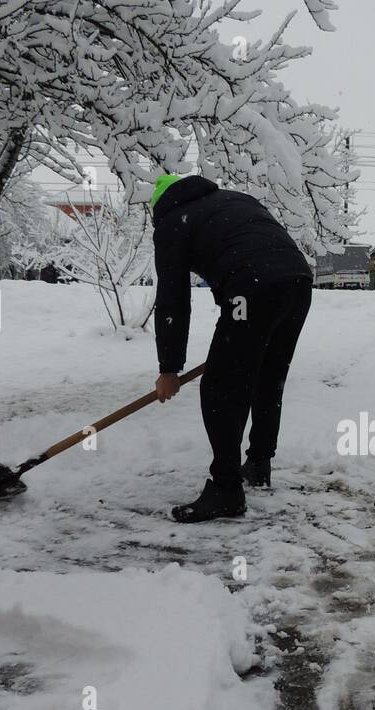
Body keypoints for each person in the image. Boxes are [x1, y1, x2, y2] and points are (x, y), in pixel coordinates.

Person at [149, 173, 313, 523]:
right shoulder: (234, 199)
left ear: (159, 208)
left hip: (252, 286)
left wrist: (169, 368)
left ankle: (226, 490)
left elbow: (173, 299)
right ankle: (258, 463)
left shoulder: (171, 223)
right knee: (269, 375)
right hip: (298, 282)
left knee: (221, 387)